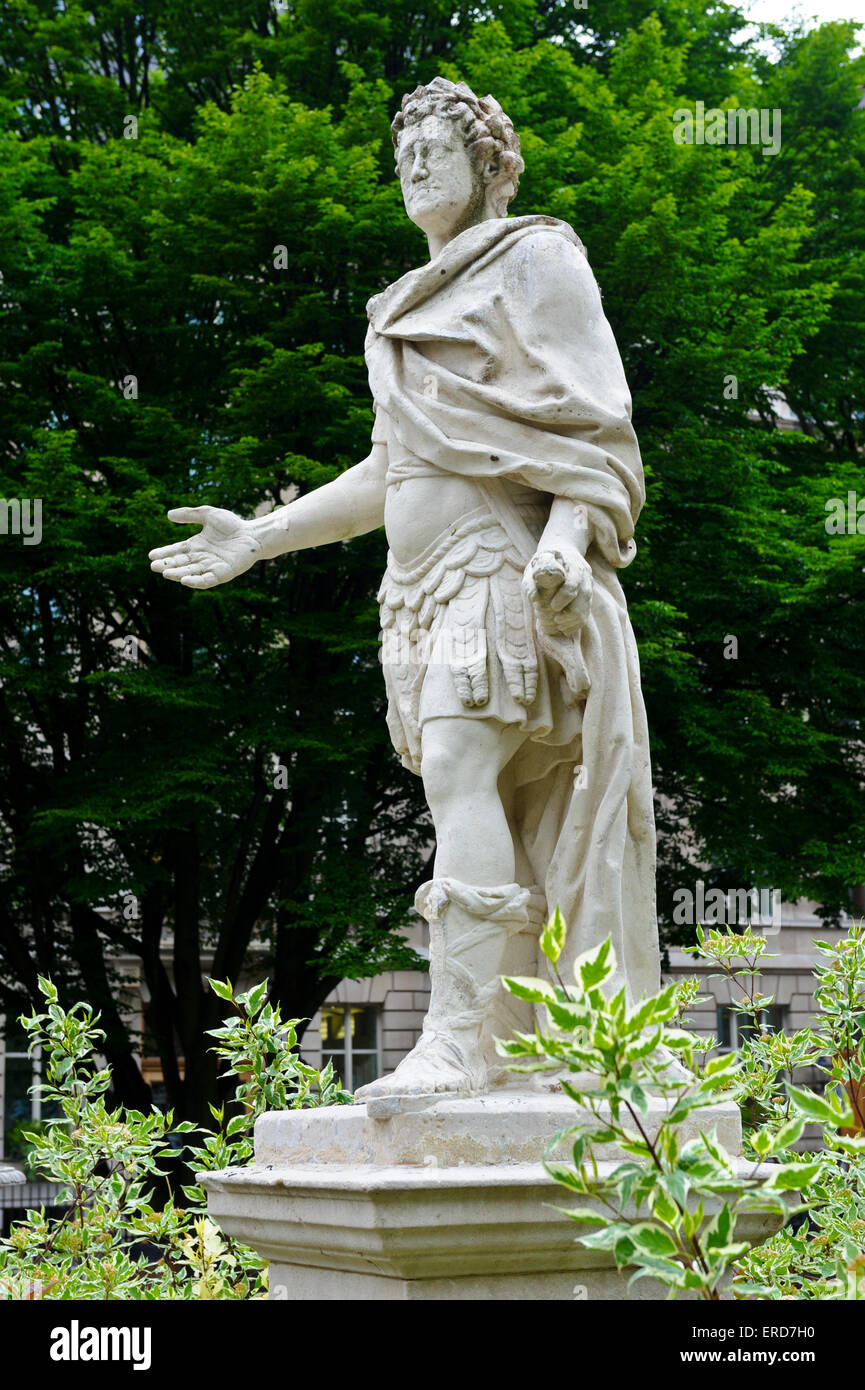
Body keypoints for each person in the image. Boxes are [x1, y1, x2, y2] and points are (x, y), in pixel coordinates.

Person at [149, 77, 660, 1111]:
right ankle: (527, 1034)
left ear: (488, 163)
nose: (414, 166)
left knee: (460, 773)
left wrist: (563, 543)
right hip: (416, 590)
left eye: (434, 148)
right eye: (404, 156)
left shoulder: (537, 258)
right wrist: (261, 537)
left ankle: (458, 1036)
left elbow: (594, 438)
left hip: (496, 568)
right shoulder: (403, 304)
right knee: (485, 800)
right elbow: (389, 472)